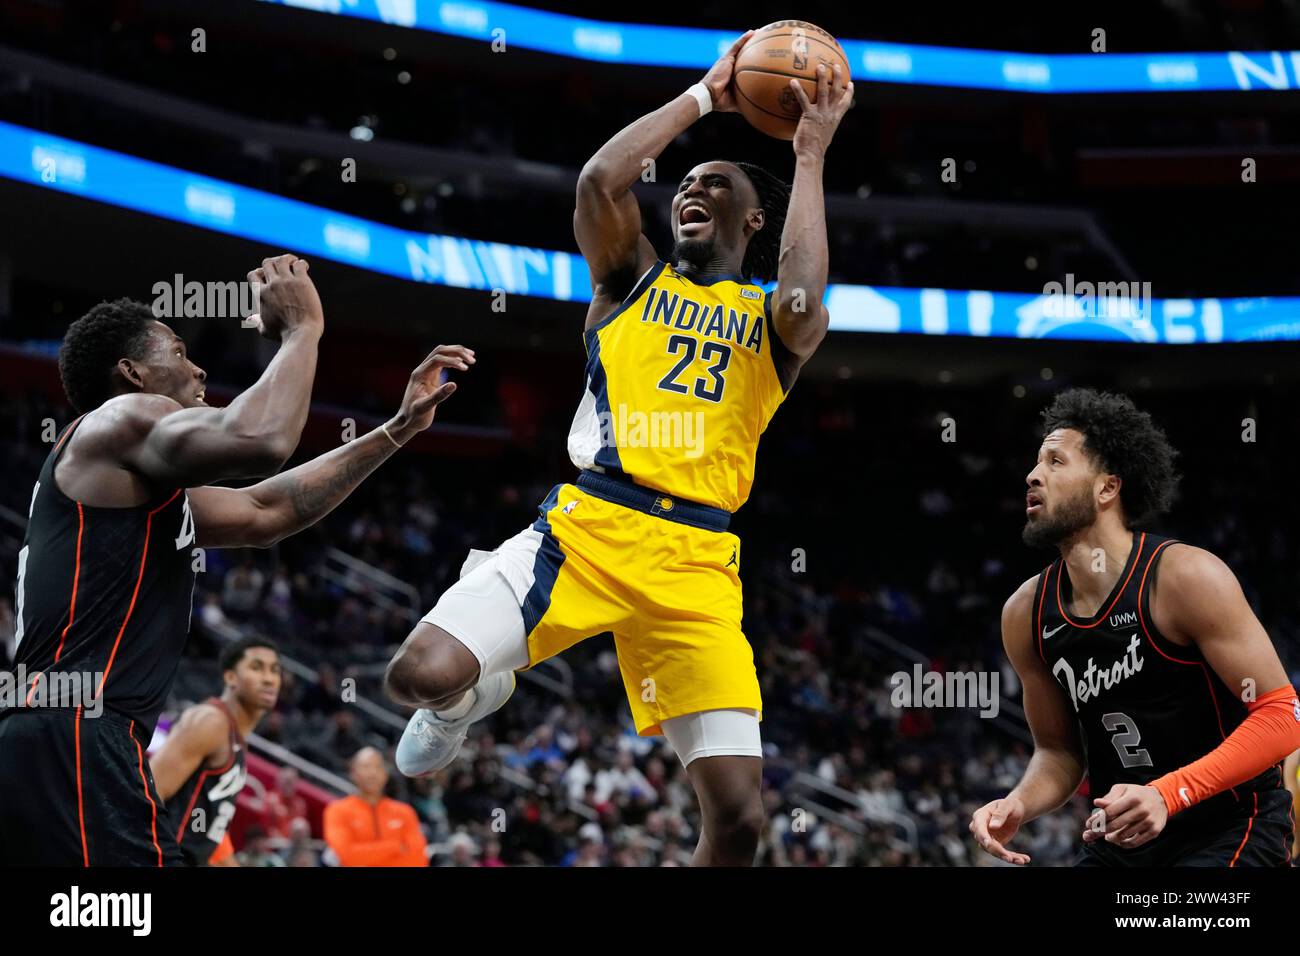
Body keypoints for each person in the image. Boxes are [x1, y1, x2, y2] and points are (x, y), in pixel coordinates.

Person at [385, 29, 853, 867]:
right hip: (589, 529)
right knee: (415, 676)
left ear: (755, 219)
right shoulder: (627, 283)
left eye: (718, 183)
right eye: (687, 183)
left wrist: (811, 154)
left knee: (742, 821)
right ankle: (466, 700)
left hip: (699, 564)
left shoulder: (771, 327)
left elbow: (805, 297)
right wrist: (706, 98)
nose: (693, 189)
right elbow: (601, 180)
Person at [0, 253, 472, 865]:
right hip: (80, 731)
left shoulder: (130, 482)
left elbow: (268, 513)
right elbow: (262, 441)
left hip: (50, 730)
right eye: (177, 350)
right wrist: (302, 330)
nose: (198, 369)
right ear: (132, 372)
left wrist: (395, 431)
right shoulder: (120, 418)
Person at [972, 388, 1300, 866]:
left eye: (1055, 461)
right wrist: (1019, 802)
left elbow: (1282, 714)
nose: (1032, 475)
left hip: (1231, 825)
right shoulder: (1025, 612)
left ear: (1107, 488)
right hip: (1125, 837)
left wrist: (1169, 794)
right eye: (1036, 462)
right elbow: (1059, 751)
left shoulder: (1183, 577)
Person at [149, 636, 281, 866]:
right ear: (231, 677)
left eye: (274, 670)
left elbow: (211, 833)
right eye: (256, 668)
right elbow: (147, 792)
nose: (269, 679)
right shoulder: (212, 722)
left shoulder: (236, 738)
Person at [323, 747, 427, 867]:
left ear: (385, 774)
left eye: (378, 767)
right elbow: (347, 857)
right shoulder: (337, 811)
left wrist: (364, 857)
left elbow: (418, 860)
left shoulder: (405, 812)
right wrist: (396, 846)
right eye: (366, 767)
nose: (372, 773)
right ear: (353, 773)